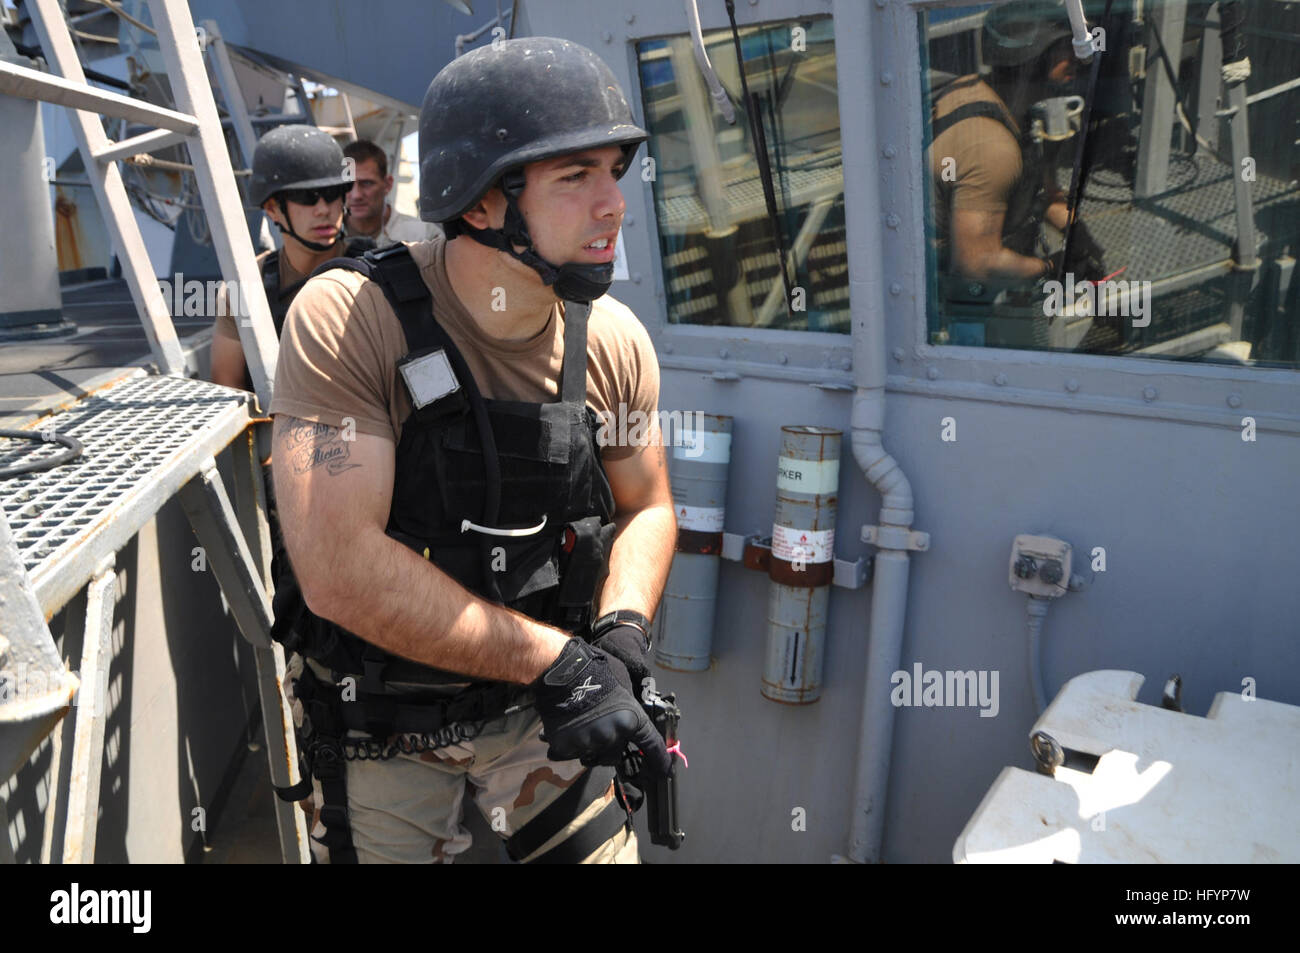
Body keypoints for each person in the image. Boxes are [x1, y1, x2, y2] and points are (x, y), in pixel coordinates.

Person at [267, 37, 677, 864]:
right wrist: (560, 660)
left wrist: (623, 628)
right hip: (382, 724)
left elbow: (648, 504)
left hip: (542, 712)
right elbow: (338, 567)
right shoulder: (349, 320)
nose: (613, 205)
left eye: (613, 173)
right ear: (484, 203)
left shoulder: (617, 345)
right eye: (575, 177)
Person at [928, 0, 1104, 290]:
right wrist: (1052, 268)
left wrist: (1077, 235)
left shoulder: (987, 93)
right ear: (1033, 55)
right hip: (955, 292)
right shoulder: (992, 149)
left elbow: (1046, 194)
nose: (1076, 54)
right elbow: (976, 264)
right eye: (1063, 46)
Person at [211, 125, 374, 393]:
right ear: (273, 209)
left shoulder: (376, 273)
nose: (323, 210)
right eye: (305, 197)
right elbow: (228, 386)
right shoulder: (246, 287)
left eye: (333, 194)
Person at [342, 139, 441, 247]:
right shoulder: (326, 241)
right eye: (348, 184)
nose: (356, 195)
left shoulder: (424, 237)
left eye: (367, 183)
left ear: (387, 184)